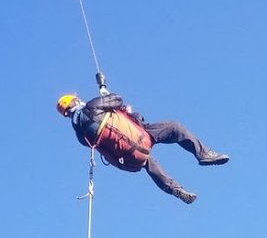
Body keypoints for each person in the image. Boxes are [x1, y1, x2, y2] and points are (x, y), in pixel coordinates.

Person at [56, 80, 229, 204]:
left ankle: (172, 188)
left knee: (148, 162)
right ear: (76, 101)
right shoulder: (92, 106)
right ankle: (203, 154)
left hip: (129, 159)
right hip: (141, 137)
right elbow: (117, 100)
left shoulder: (81, 136)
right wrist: (105, 93)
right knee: (175, 128)